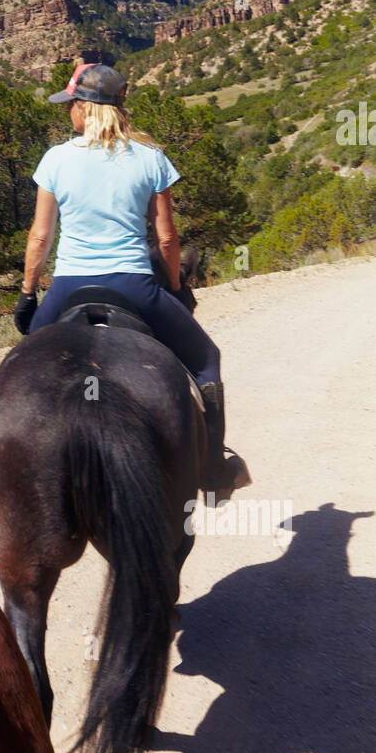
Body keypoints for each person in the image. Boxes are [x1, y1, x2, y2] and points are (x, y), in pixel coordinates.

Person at [14, 61, 249, 495]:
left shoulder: (55, 160)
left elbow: (41, 236)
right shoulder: (152, 159)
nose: (68, 112)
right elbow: (165, 240)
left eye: (71, 104)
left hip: (67, 287)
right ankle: (215, 471)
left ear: (85, 108)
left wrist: (28, 294)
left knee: (19, 370)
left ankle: (16, 475)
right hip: (134, 286)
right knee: (205, 359)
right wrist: (175, 290)